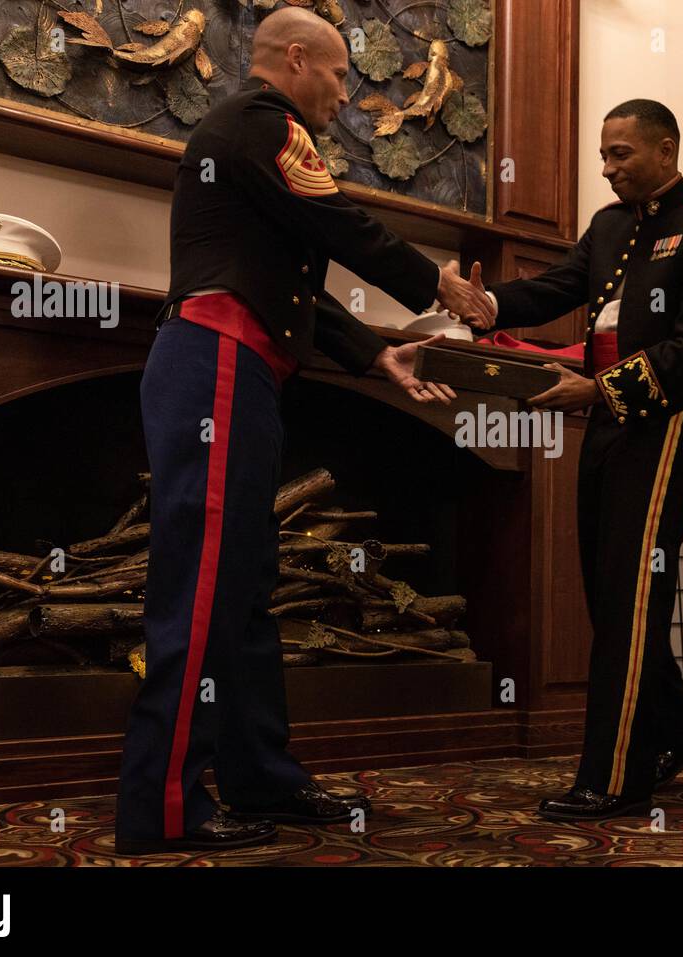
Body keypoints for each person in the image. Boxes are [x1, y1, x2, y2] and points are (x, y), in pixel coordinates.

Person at [115, 6, 494, 855]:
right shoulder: (262, 123)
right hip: (214, 364)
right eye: (337, 77)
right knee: (203, 588)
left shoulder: (244, 141)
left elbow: (291, 285)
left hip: (238, 369)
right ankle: (162, 809)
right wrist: (435, 284)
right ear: (296, 60)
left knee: (245, 588)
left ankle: (260, 779)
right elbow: (340, 225)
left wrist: (376, 355)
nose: (345, 98)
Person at [463, 99, 683, 820]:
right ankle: (679, 734)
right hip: (603, 422)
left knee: (629, 597)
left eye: (621, 153)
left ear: (666, 149)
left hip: (661, 424)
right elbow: (558, 287)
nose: (607, 166)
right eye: (604, 153)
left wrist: (600, 388)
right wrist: (488, 303)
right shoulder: (610, 225)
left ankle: (615, 776)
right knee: (610, 591)